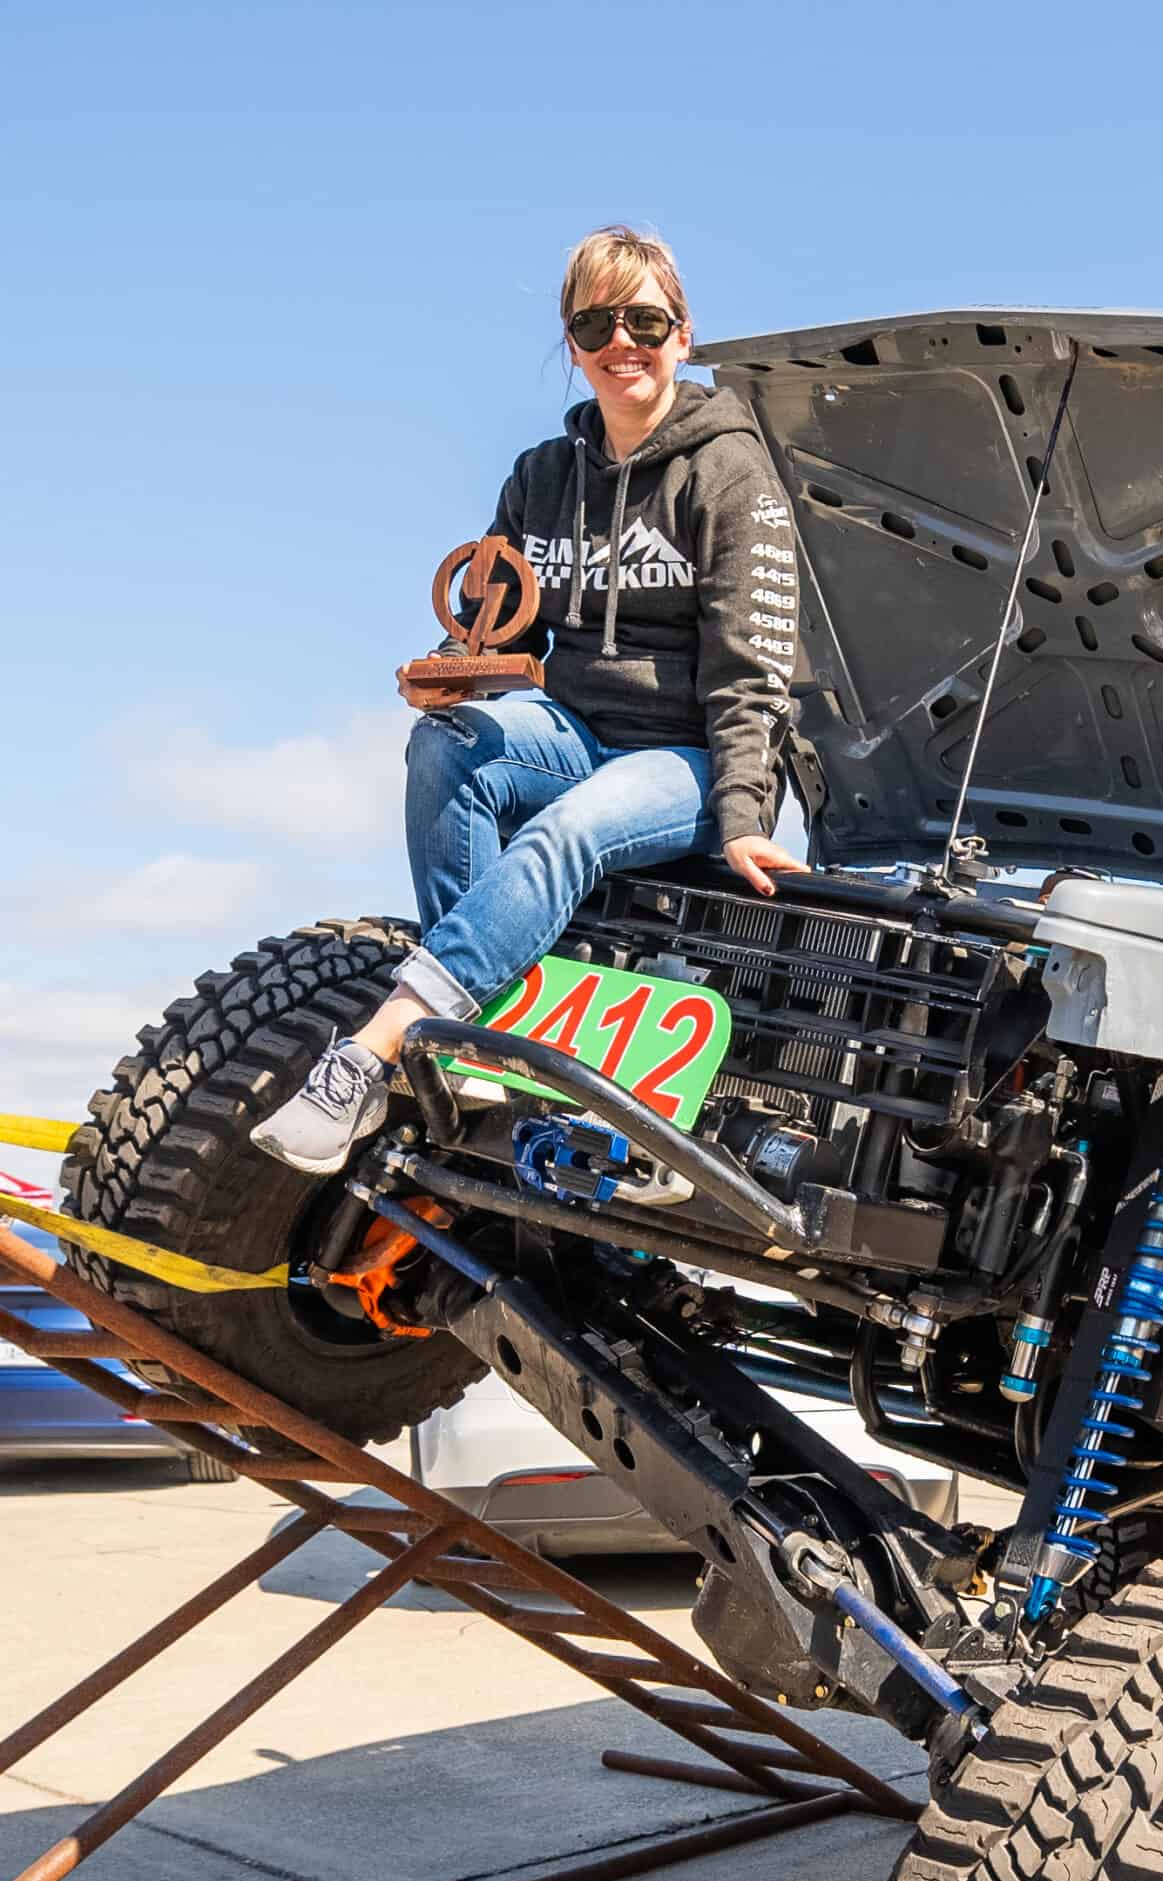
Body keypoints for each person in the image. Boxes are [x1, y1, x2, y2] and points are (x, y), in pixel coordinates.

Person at [254, 223, 805, 1174]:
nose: (620, 342)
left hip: (688, 754)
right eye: (596, 323)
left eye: (644, 319)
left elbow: (753, 669)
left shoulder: (728, 470)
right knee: (451, 743)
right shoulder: (542, 477)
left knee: (571, 831)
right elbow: (501, 627)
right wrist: (452, 667)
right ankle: (482, 1045)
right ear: (571, 342)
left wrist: (746, 814)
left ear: (682, 333)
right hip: (575, 728)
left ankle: (381, 1046)